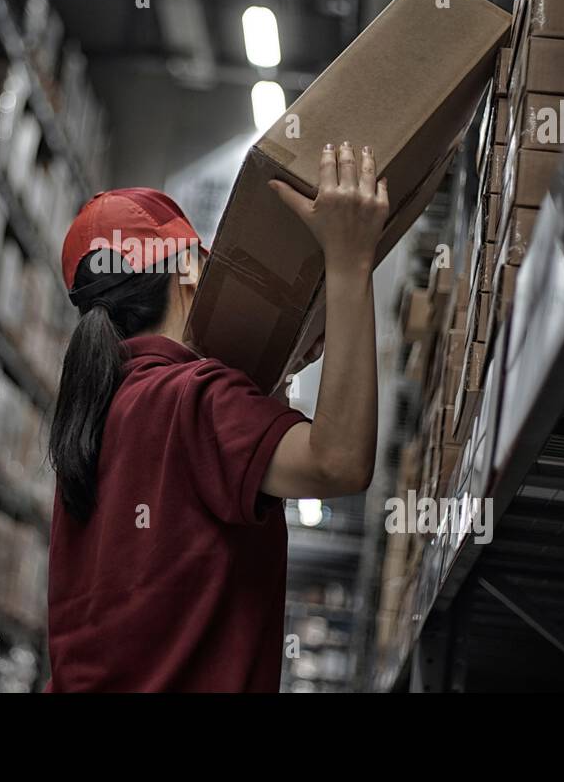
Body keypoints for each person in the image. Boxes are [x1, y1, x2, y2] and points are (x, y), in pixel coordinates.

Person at [45, 141, 388, 692]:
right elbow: (339, 463)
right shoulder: (193, 396)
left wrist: (279, 372)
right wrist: (350, 261)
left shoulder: (94, 418)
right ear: (187, 268)